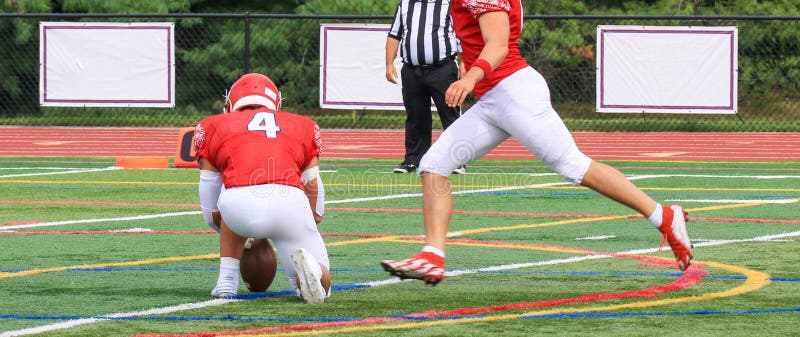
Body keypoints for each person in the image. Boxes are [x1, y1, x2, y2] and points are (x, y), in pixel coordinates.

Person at [381, 0, 693, 285]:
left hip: (513, 92)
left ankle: (663, 216)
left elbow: (498, 43)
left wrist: (470, 77)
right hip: (493, 99)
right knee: (434, 165)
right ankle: (433, 255)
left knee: (573, 165)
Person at [194, 73, 331, 304]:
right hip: (290, 201)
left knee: (227, 194)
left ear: (231, 102)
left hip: (238, 206)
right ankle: (311, 273)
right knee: (322, 284)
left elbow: (209, 192)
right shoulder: (304, 125)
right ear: (276, 102)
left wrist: (229, 227)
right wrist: (312, 219)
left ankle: (227, 279)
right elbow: (313, 182)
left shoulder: (212, 125)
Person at [386, 0, 466, 175]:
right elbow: (394, 35)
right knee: (415, 116)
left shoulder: (449, 4)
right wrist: (389, 63)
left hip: (442, 68)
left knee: (450, 114)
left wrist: (465, 61)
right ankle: (413, 160)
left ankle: (457, 160)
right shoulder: (405, 4)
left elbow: (461, 34)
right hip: (411, 70)